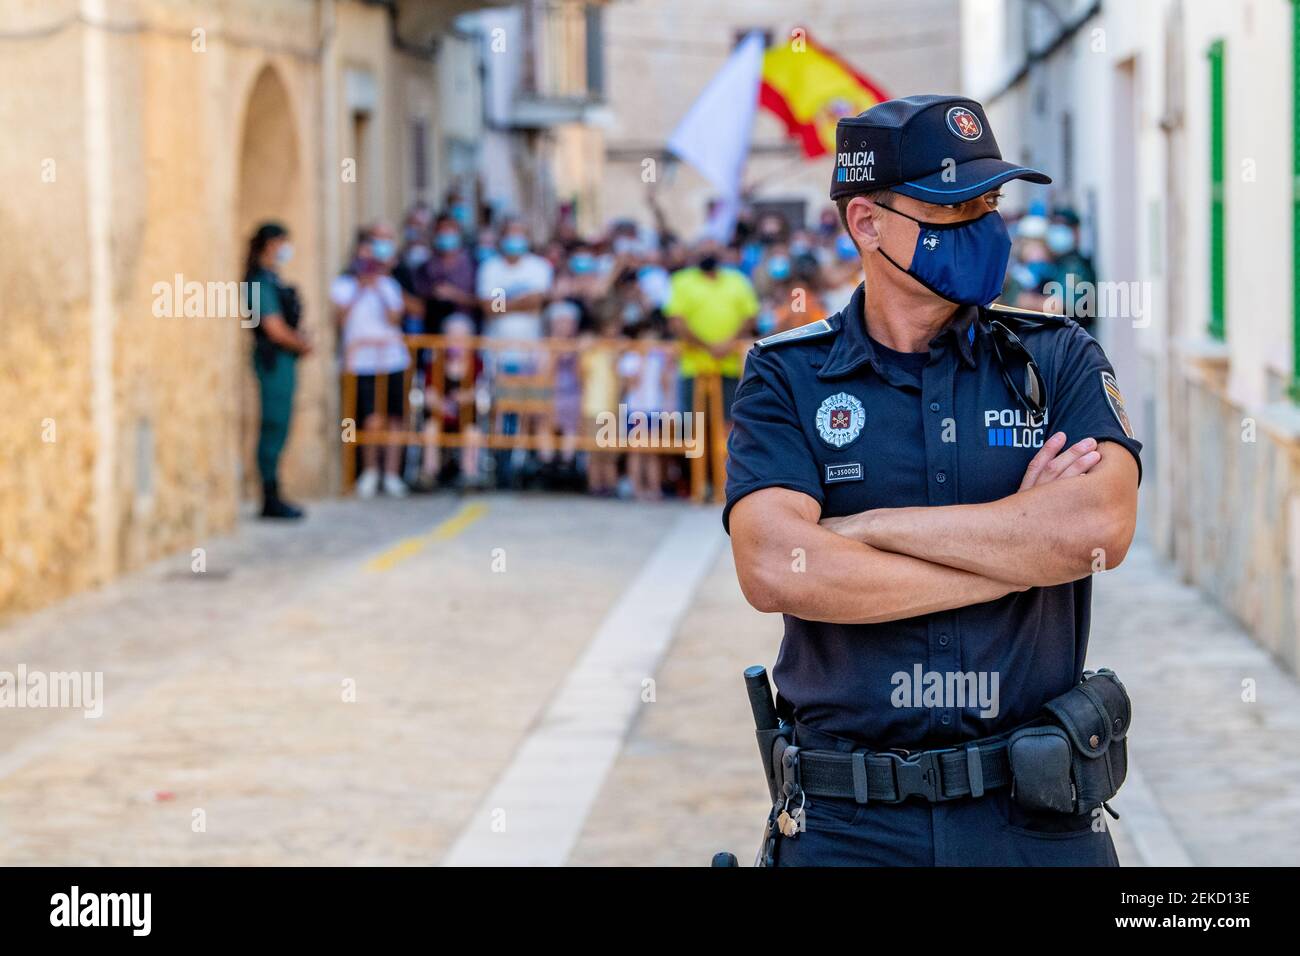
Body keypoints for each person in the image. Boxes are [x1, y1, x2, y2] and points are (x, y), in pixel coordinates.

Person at [725, 95, 1142, 867]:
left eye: (990, 201)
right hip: (848, 824)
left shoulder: (1056, 359)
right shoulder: (787, 376)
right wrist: (1017, 542)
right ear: (866, 223)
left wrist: (869, 528)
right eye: (952, 206)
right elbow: (778, 565)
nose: (984, 225)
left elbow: (1095, 532)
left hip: (1036, 815)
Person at [334, 226, 410, 499]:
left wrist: (377, 286)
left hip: (391, 360)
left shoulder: (388, 285)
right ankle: (369, 471)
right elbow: (339, 320)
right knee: (370, 419)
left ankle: (391, 474)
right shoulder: (343, 286)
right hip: (360, 362)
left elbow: (394, 318)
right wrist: (359, 289)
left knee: (394, 419)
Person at [244, 222, 311, 519]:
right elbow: (273, 327)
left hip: (283, 362)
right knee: (273, 425)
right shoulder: (258, 282)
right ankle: (269, 496)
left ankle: (274, 493)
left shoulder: (270, 279)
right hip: (274, 361)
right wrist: (300, 344)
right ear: (271, 244)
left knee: (280, 425)